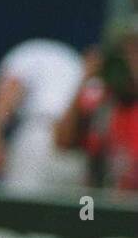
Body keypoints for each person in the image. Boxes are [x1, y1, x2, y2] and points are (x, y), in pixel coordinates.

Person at [0, 38, 87, 194]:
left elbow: (10, 89)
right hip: (75, 142)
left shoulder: (24, 54)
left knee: (20, 206)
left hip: (39, 132)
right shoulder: (73, 60)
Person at [54, 19, 138, 193]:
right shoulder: (102, 100)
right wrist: (85, 78)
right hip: (102, 204)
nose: (130, 60)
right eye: (125, 51)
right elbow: (62, 141)